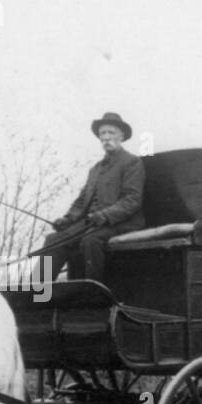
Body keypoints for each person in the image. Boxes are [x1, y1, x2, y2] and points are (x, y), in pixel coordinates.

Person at [39, 111, 146, 282]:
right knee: (54, 239)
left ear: (121, 136)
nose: (106, 137)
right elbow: (81, 202)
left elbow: (132, 200)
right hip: (93, 223)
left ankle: (93, 295)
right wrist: (66, 220)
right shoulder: (95, 169)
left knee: (90, 240)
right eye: (102, 133)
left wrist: (104, 215)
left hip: (122, 223)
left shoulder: (132, 163)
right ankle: (37, 293)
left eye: (111, 132)